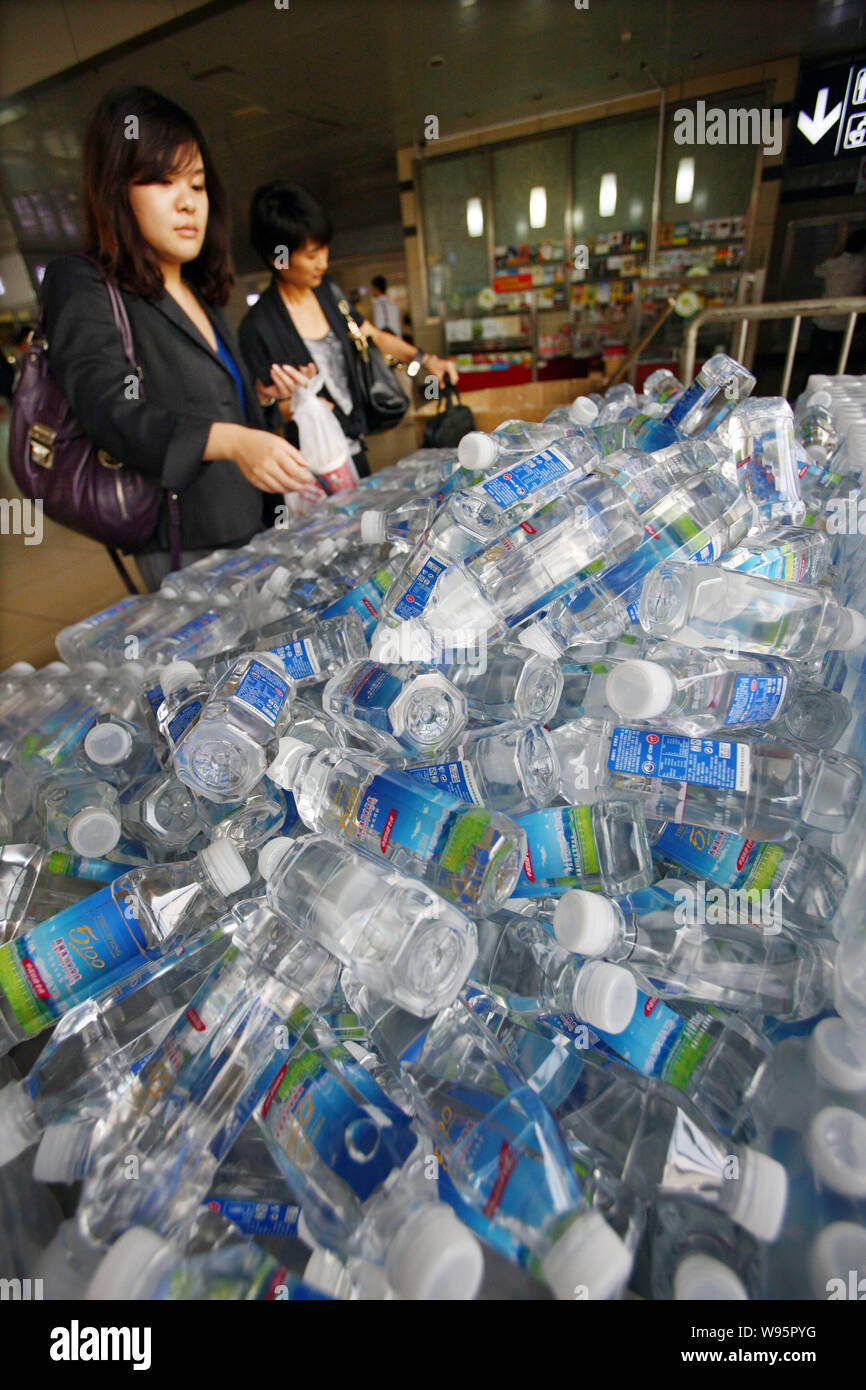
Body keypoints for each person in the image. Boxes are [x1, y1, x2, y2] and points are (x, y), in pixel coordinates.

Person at [41, 85, 316, 591]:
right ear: (116, 189)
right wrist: (233, 441)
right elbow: (110, 409)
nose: (188, 203)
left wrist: (258, 398)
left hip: (254, 519)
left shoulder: (198, 290)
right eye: (163, 182)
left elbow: (203, 397)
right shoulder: (83, 284)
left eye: (197, 183)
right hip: (185, 538)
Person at [239, 181, 458, 480]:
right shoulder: (258, 327)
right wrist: (302, 406)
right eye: (311, 254)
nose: (323, 262)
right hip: (309, 467)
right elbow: (263, 414)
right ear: (276, 258)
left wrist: (425, 360)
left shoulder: (329, 292)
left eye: (324, 249)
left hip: (354, 446)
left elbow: (373, 335)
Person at [811, 227, 866, 374]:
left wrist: (835, 253)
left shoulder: (833, 262)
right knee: (840, 358)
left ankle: (808, 383)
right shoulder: (862, 264)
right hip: (846, 318)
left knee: (815, 357)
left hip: (825, 315)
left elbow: (817, 271)